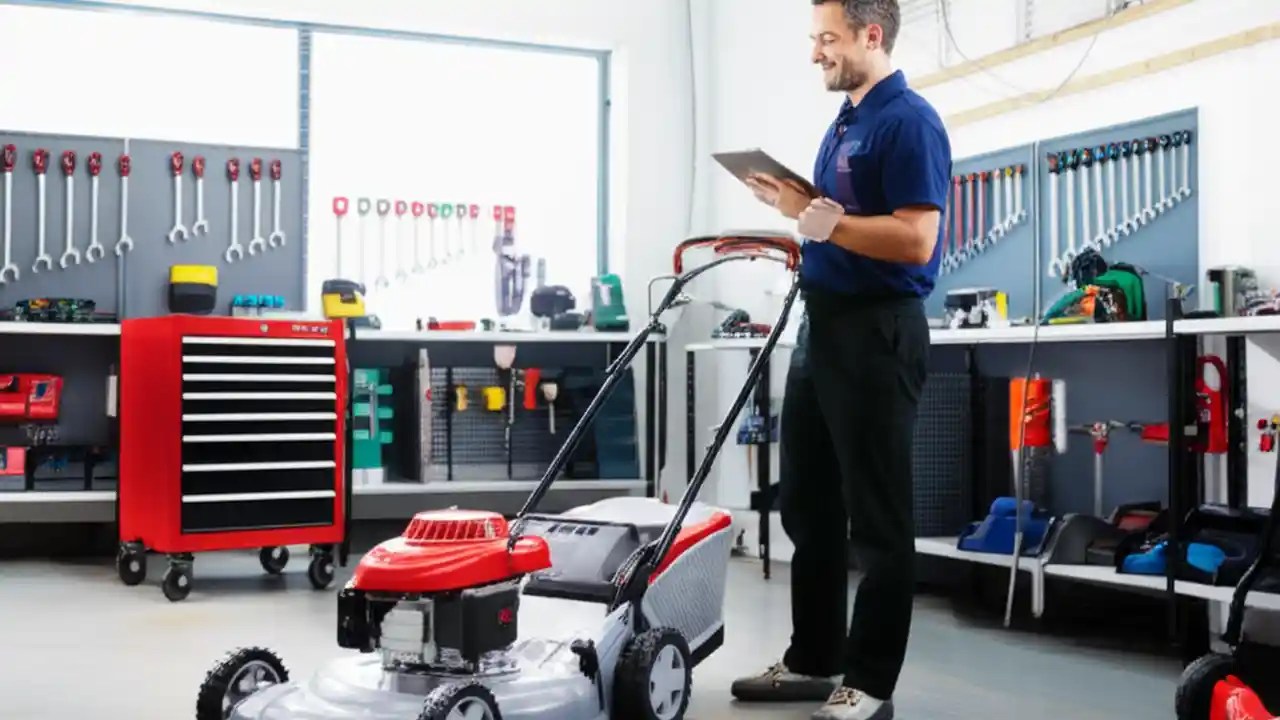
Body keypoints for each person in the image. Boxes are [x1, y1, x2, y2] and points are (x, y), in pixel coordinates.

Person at [728, 2, 951, 719]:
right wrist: (796, 205)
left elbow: (916, 240)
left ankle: (871, 682)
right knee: (808, 504)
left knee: (877, 517)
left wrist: (822, 220)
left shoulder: (908, 121)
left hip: (877, 332)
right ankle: (814, 659)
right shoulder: (847, 122)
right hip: (822, 327)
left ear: (870, 35)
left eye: (828, 38)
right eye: (814, 38)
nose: (815, 52)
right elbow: (837, 223)